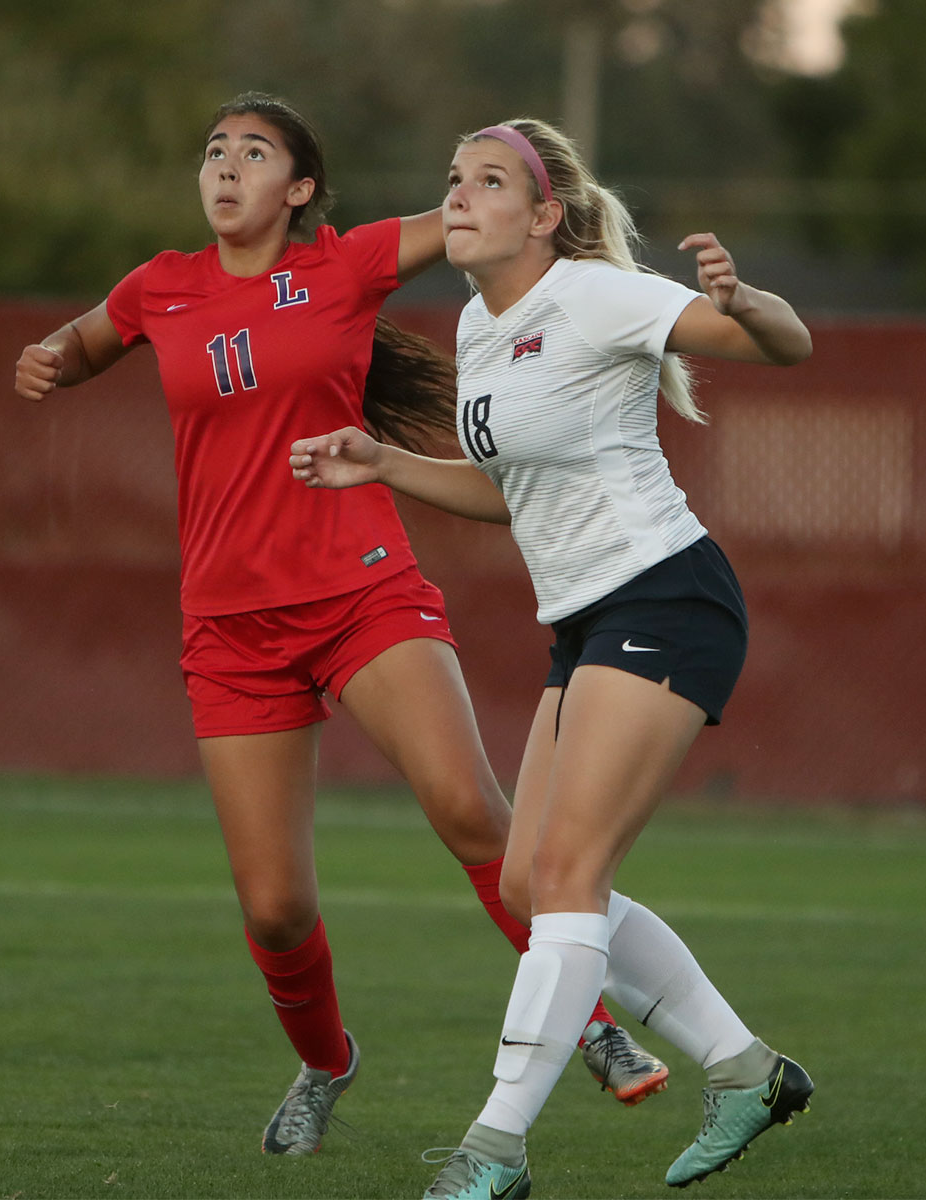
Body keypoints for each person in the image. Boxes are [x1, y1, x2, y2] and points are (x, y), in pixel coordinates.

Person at [10, 94, 668, 1159]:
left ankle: (586, 1022)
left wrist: (554, 220)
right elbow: (90, 342)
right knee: (274, 910)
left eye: (254, 153)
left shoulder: (346, 264)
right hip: (230, 626)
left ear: (300, 189)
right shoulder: (159, 286)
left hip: (363, 592)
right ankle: (326, 1064)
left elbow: (472, 222)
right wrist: (50, 357)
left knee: (472, 812)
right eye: (213, 150)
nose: (226, 167)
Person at [288, 118, 817, 1197]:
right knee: (532, 885)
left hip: (667, 597)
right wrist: (384, 462)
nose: (462, 195)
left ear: (543, 216)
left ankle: (494, 1148)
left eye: (490, 182)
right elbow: (506, 491)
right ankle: (750, 1071)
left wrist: (746, 297)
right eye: (452, 180)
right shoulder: (482, 330)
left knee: (571, 879)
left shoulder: (593, 293)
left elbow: (784, 345)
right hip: (586, 622)